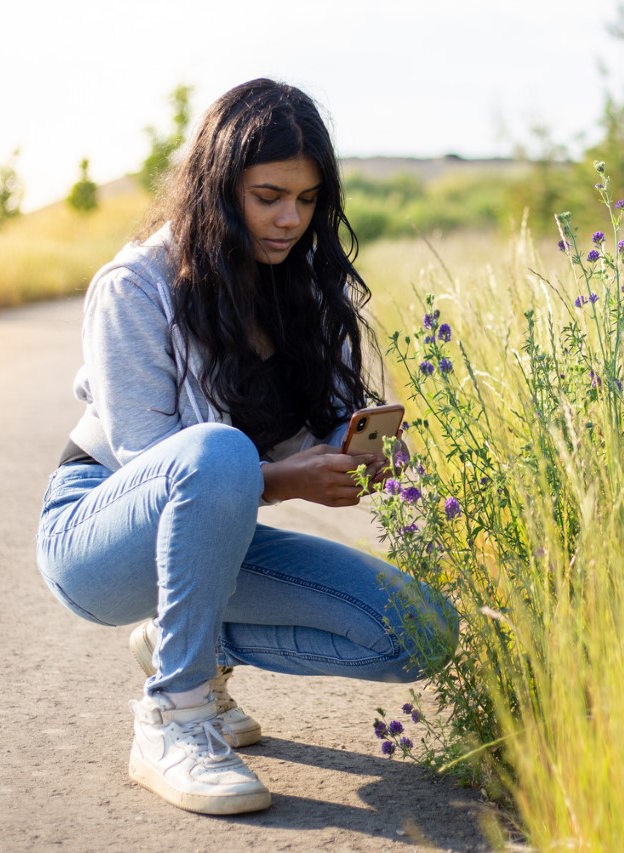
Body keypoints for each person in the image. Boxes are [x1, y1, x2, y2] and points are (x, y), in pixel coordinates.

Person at [35, 79, 458, 816]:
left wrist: (354, 447)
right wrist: (284, 480)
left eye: (307, 199)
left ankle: (189, 639)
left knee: (421, 633)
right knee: (222, 452)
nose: (290, 218)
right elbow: (159, 462)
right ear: (216, 185)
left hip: (212, 537)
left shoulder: (300, 283)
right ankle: (175, 715)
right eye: (269, 196)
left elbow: (320, 416)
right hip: (95, 535)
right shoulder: (136, 285)